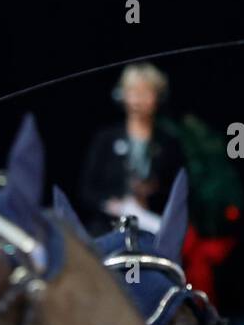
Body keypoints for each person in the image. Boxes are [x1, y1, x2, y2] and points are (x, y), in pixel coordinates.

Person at [79, 62, 186, 235]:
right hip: (108, 231)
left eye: (145, 92)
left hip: (151, 231)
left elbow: (178, 192)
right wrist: (111, 204)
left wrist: (151, 191)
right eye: (133, 92)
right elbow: (87, 190)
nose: (138, 100)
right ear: (122, 95)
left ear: (158, 96)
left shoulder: (168, 142)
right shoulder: (106, 138)